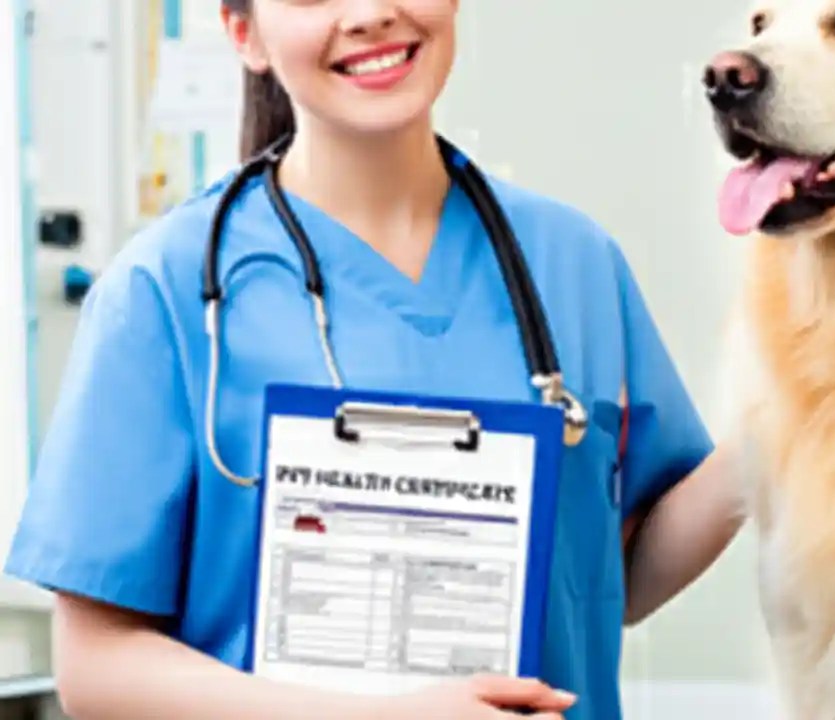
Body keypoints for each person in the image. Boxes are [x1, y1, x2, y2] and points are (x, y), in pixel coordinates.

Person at [1, 1, 745, 718]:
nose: (367, 13)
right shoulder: (165, 289)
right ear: (245, 34)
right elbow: (96, 665)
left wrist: (782, 433)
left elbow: (607, 584)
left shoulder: (572, 263)